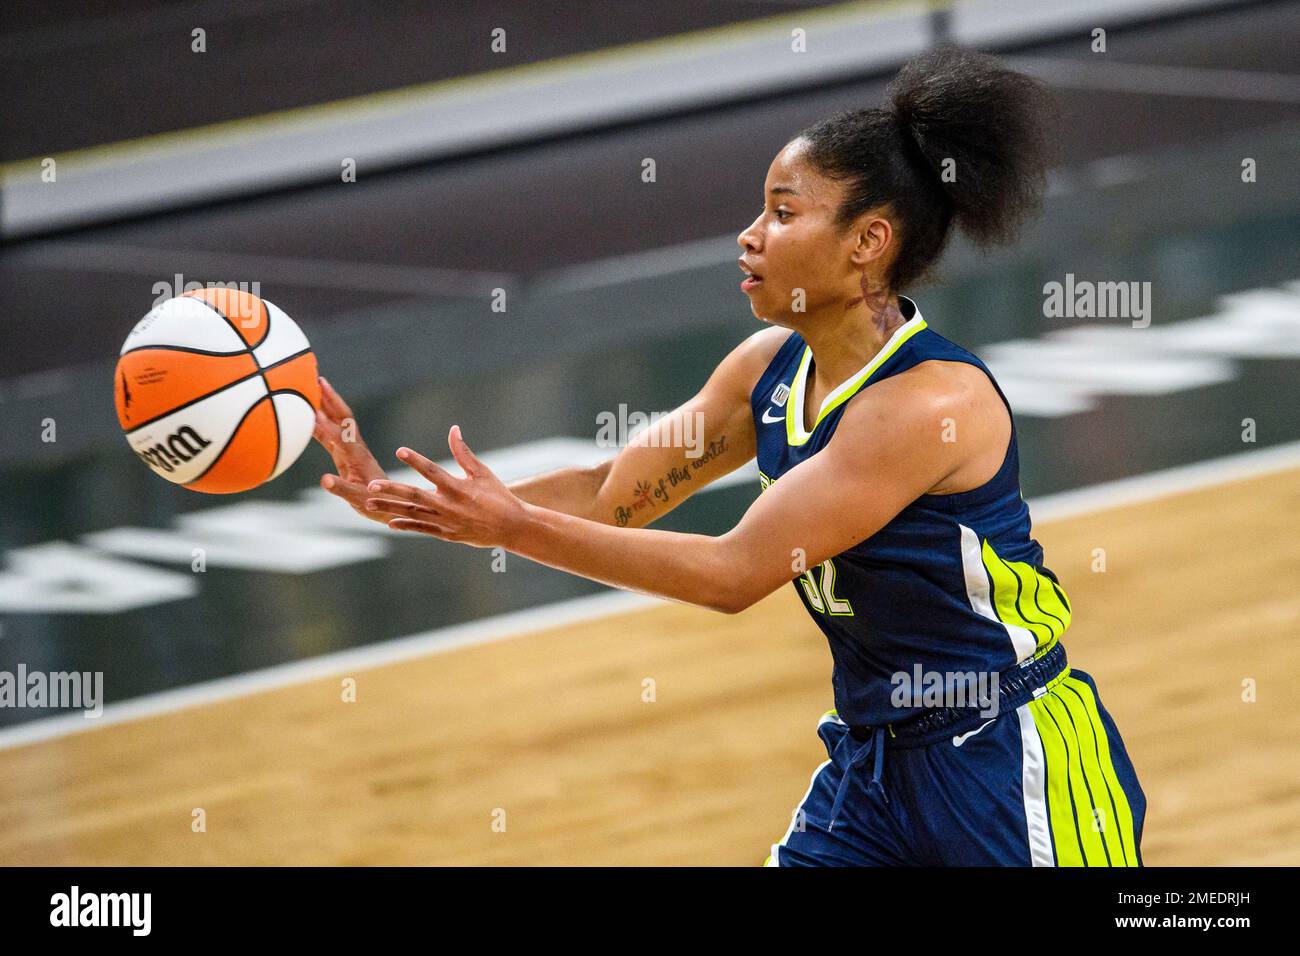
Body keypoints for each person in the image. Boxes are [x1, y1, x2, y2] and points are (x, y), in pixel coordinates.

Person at [313, 46, 1146, 866]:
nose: (749, 237)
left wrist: (513, 529)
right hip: (875, 765)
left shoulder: (926, 406)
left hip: (1006, 758)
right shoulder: (766, 369)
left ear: (868, 242)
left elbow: (734, 572)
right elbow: (611, 493)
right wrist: (407, 499)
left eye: (784, 214)